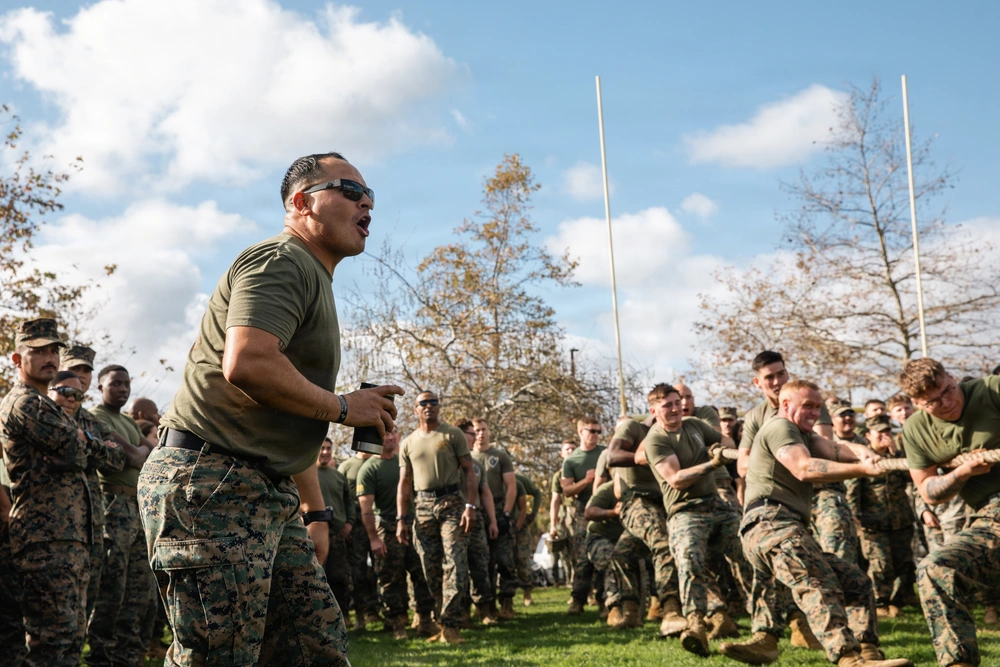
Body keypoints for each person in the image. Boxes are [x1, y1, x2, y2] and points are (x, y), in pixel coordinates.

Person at [141, 151, 403, 666]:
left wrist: (316, 511)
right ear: (301, 202)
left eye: (371, 194)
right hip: (211, 484)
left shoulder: (311, 275)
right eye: (350, 190)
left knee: (314, 650)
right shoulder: (281, 259)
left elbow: (282, 414)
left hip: (262, 487)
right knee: (218, 656)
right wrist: (343, 407)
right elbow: (249, 363)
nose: (367, 202)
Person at [719, 380, 911, 667]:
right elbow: (804, 468)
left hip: (785, 527)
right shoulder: (780, 427)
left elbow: (835, 448)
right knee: (817, 583)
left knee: (856, 582)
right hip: (770, 524)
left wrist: (865, 452)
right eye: (807, 405)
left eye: (818, 407)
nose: (814, 412)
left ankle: (866, 648)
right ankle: (850, 659)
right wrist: (862, 469)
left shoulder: (804, 435)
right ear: (786, 405)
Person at [0, 319, 95, 666]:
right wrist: (83, 441)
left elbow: (80, 450)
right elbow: (75, 450)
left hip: (65, 535)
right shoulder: (25, 403)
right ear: (16, 359)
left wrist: (82, 441)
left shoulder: (47, 405)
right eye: (38, 351)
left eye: (54, 350)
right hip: (44, 537)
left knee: (70, 638)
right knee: (52, 642)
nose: (50, 357)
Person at [900, 358, 1000, 667]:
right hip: (992, 513)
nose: (946, 403)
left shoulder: (991, 390)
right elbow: (928, 491)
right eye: (932, 402)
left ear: (952, 377)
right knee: (935, 568)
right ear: (917, 404)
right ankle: (959, 663)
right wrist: (962, 473)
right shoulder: (916, 429)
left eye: (948, 390)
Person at [638, 384, 749, 656]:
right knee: (689, 560)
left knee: (751, 550)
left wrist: (719, 447)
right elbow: (676, 479)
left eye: (677, 402)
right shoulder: (655, 440)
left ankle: (776, 620)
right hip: (685, 510)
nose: (676, 408)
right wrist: (712, 464)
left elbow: (728, 443)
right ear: (654, 411)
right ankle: (696, 624)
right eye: (667, 405)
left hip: (715, 504)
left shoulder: (695, 425)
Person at [88, 365, 158, 667]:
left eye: (126, 383)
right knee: (112, 585)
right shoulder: (96, 416)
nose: (122, 389)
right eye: (115, 383)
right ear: (100, 387)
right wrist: (140, 453)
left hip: (137, 507)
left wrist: (140, 452)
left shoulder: (127, 421)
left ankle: (128, 656)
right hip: (113, 505)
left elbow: (150, 453)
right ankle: (101, 655)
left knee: (139, 587)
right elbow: (132, 455)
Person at [397, 391, 478, 645]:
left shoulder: (452, 435)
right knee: (429, 568)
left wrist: (470, 506)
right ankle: (441, 623)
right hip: (422, 507)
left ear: (439, 407)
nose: (429, 406)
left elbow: (469, 471)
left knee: (455, 562)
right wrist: (401, 519)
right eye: (423, 403)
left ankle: (452, 625)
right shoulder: (408, 442)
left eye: (433, 402)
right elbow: (404, 482)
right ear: (415, 409)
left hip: (451, 504)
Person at [606, 412, 686, 636]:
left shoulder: (670, 435)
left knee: (628, 553)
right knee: (651, 547)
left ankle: (662, 610)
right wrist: (645, 455)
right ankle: (649, 611)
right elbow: (613, 458)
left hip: (662, 502)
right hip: (638, 503)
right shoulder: (633, 431)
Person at [356, 430, 436, 640]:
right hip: (387, 528)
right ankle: (397, 624)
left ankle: (425, 621)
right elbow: (366, 508)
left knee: (422, 573)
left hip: (412, 526)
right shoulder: (369, 468)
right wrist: (374, 539)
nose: (390, 438)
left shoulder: (404, 463)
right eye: (385, 434)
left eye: (393, 433)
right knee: (389, 579)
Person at [847, 415, 917, 618]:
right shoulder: (863, 459)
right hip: (873, 523)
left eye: (887, 431)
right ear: (868, 436)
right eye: (880, 432)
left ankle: (896, 601)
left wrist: (897, 454)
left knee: (902, 562)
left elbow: (912, 476)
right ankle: (880, 602)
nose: (885, 436)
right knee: (881, 564)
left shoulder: (896, 456)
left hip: (901, 520)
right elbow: (852, 490)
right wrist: (854, 517)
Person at [471, 418, 519, 619]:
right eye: (476, 430)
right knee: (483, 561)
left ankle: (507, 603)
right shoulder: (466, 457)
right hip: (476, 510)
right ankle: (486, 606)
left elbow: (511, 486)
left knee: (504, 559)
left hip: (498, 509)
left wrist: (506, 513)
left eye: (483, 429)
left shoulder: (499, 456)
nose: (481, 434)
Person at [454, 419, 499, 627]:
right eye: (471, 433)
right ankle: (462, 611)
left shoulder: (477, 465)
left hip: (477, 519)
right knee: (458, 567)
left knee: (481, 564)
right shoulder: (448, 460)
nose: (475, 438)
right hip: (454, 518)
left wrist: (493, 521)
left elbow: (485, 492)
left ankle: (484, 610)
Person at [561, 417, 606, 615]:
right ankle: (578, 600)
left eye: (598, 431)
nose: (596, 435)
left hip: (604, 508)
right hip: (582, 511)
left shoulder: (605, 452)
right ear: (581, 432)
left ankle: (604, 600)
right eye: (592, 431)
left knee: (604, 555)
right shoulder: (572, 460)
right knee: (582, 558)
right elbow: (567, 490)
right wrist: (586, 481)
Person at [583, 480, 643, 629]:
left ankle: (649, 607)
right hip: (601, 537)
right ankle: (614, 608)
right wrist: (613, 513)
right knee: (612, 559)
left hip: (629, 538)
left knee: (642, 562)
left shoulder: (643, 486)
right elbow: (589, 512)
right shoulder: (607, 489)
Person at [815, 399, 862, 565]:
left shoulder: (862, 444)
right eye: (842, 415)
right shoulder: (818, 447)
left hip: (855, 511)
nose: (848, 418)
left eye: (851, 414)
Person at [338, 449, 379, 630]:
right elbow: (341, 498)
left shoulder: (377, 463)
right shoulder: (346, 466)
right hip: (356, 524)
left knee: (379, 568)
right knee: (358, 571)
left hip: (377, 520)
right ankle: (359, 615)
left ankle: (375, 611)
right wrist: (347, 522)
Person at [316, 438, 355, 619]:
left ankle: (343, 617)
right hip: (315, 535)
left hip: (337, 535)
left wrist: (349, 522)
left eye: (328, 448)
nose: (325, 452)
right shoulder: (306, 474)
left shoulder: (338, 476)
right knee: (317, 577)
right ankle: (321, 618)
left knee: (340, 578)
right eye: (322, 448)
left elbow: (349, 502)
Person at [549, 439, 576, 586]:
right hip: (566, 517)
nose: (570, 451)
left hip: (584, 513)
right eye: (567, 449)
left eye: (573, 449)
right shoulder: (558, 476)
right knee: (567, 553)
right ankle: (571, 583)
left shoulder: (584, 471)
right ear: (561, 454)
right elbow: (555, 501)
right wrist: (553, 525)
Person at [514, 471, 542, 606]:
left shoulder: (519, 480)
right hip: (499, 525)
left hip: (520, 526)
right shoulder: (490, 478)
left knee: (523, 559)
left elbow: (537, 493)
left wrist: (533, 513)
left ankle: (527, 594)